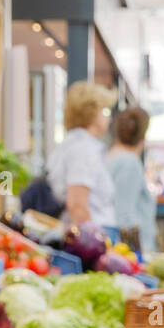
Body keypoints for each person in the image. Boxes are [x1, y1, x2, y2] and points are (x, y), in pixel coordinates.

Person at [48, 81, 118, 228]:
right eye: (105, 112)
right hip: (89, 237)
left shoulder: (72, 144)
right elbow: (77, 204)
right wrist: (94, 243)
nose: (109, 118)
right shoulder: (83, 149)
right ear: (91, 114)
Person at [106, 107, 156, 253]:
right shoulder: (129, 163)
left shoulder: (112, 157)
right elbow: (124, 215)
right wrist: (137, 256)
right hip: (130, 252)